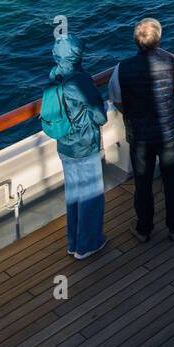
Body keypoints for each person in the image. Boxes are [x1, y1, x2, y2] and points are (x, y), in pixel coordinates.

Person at [107, 18, 174, 242]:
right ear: (158, 40)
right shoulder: (171, 62)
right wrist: (173, 117)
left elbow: (117, 101)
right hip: (169, 134)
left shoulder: (121, 68)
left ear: (136, 41)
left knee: (143, 183)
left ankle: (144, 228)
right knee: (172, 182)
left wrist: (134, 115)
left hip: (140, 137)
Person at [46, 35, 108, 260]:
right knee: (91, 195)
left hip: (64, 145)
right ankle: (88, 245)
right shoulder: (79, 80)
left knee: (73, 194)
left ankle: (73, 242)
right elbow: (99, 115)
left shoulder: (54, 75)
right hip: (84, 145)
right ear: (76, 55)